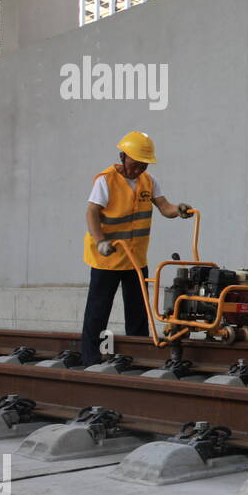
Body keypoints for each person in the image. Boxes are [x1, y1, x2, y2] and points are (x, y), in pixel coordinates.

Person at [80, 131, 192, 365]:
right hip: (107, 258)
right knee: (98, 310)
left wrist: (178, 210)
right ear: (122, 157)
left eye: (143, 165)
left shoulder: (148, 181)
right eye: (134, 164)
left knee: (137, 310)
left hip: (135, 258)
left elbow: (164, 206)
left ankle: (138, 356)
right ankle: (89, 358)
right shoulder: (106, 180)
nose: (138, 169)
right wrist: (100, 241)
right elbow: (91, 212)